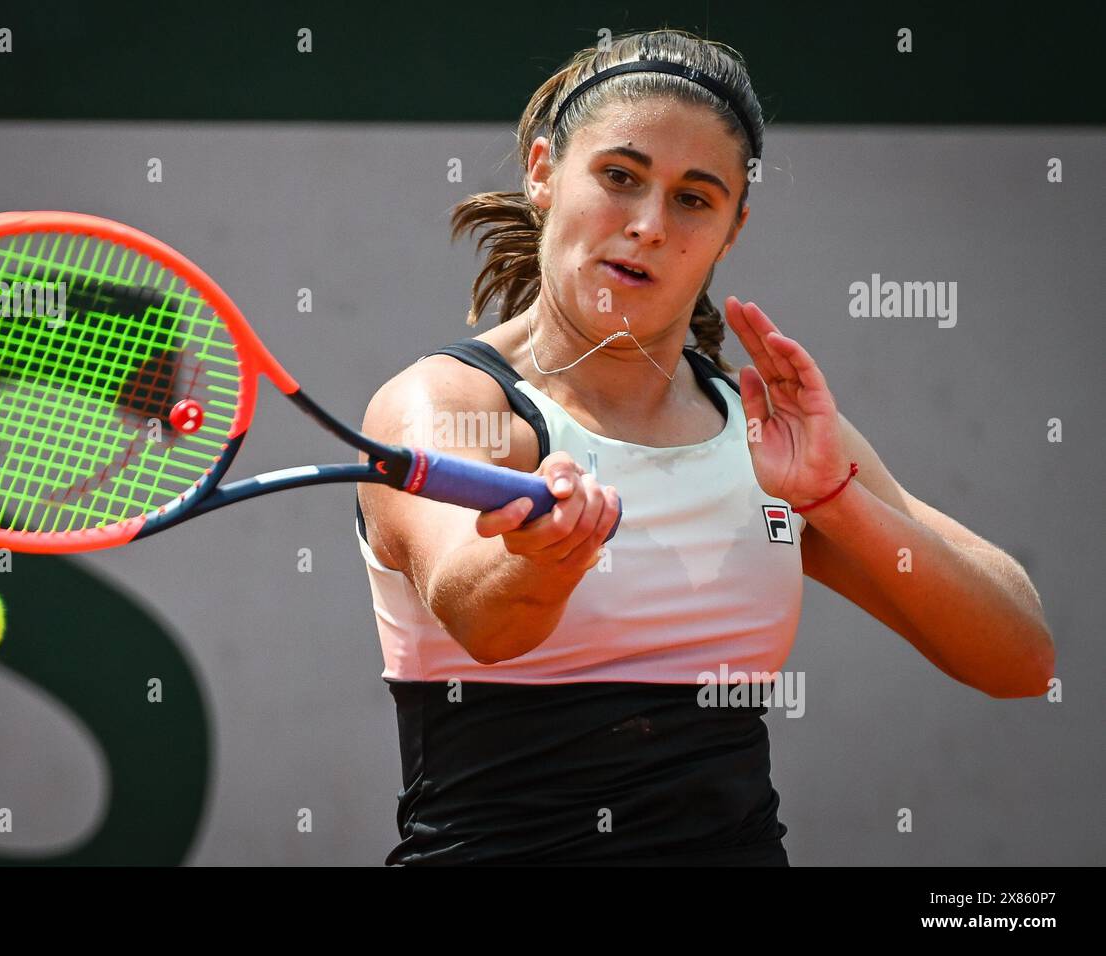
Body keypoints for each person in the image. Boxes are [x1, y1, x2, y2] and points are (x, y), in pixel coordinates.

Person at [354, 28, 1054, 866]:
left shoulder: (765, 430)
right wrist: (545, 557)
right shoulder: (441, 404)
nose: (649, 224)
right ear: (543, 172)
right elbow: (483, 620)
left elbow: (1020, 660)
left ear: (731, 228)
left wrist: (836, 502)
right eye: (619, 177)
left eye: (695, 198)